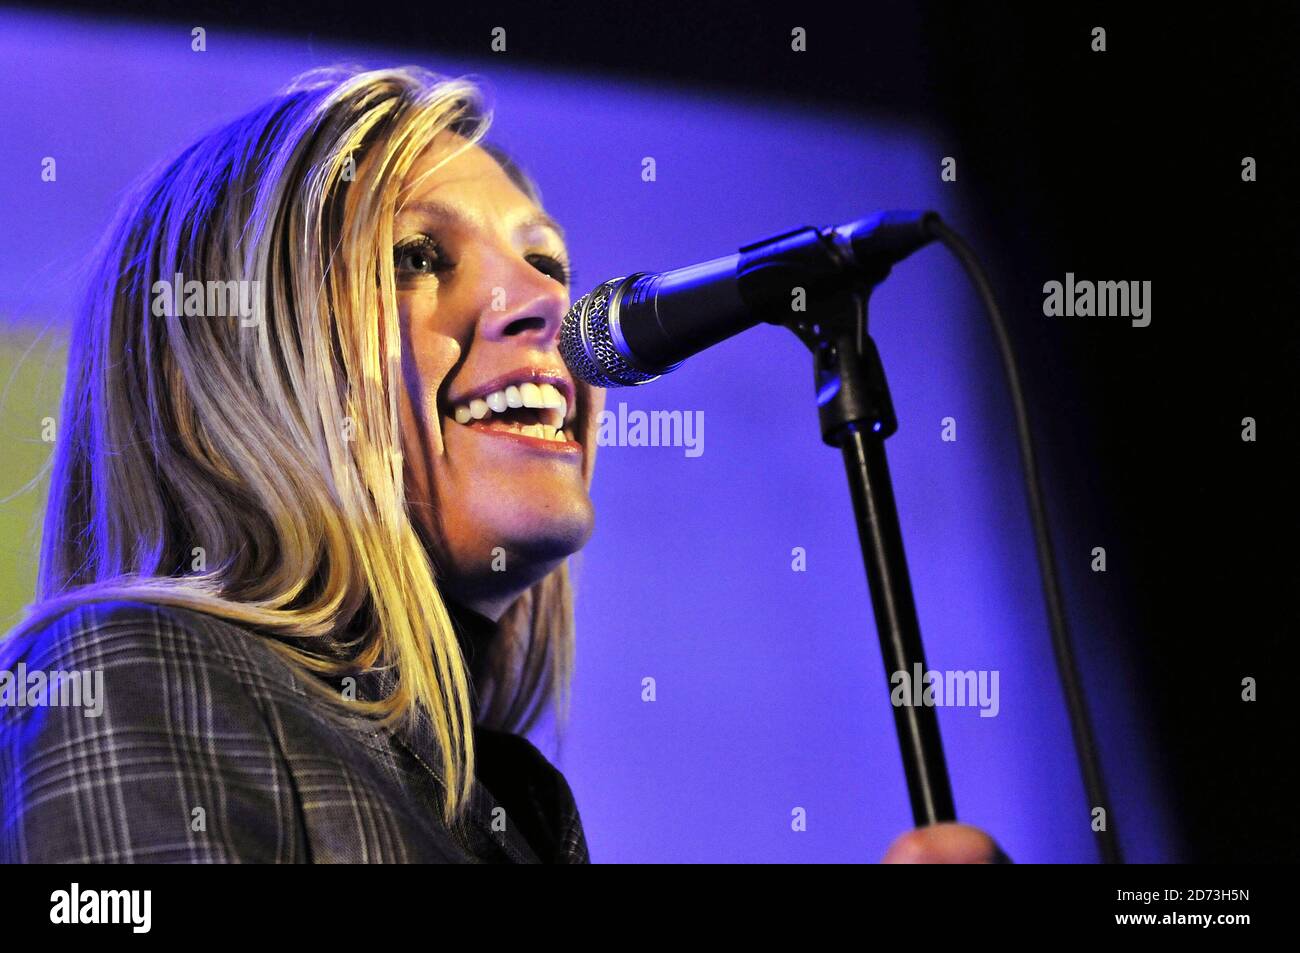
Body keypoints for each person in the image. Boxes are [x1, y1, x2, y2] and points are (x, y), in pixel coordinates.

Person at [0, 65, 1006, 864]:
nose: (547, 307)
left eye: (547, 264)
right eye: (415, 256)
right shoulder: (137, 671)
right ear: (227, 370)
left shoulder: (516, 803)